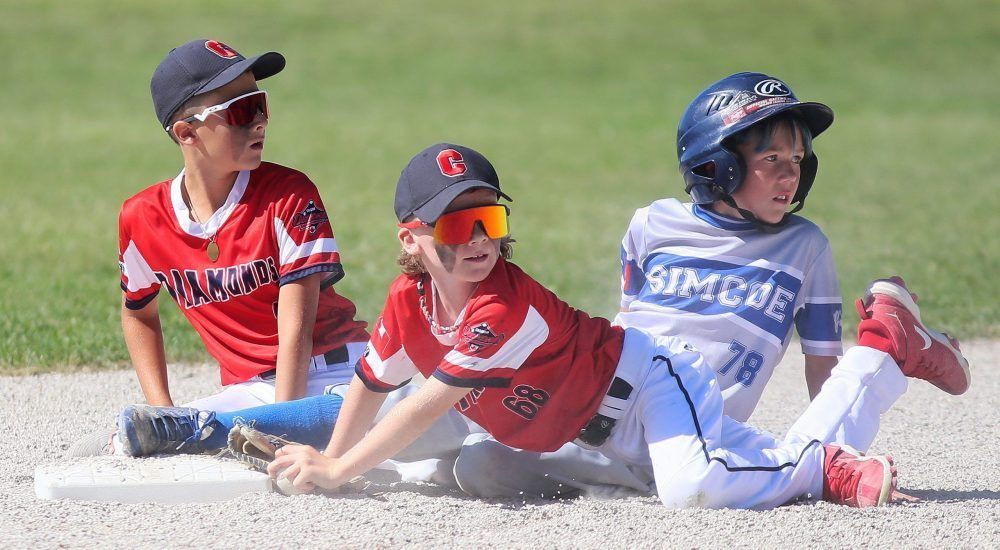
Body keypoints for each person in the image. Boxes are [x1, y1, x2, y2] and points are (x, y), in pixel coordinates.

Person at [262, 142, 970, 509]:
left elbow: (426, 401)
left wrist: (334, 465)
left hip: (652, 386)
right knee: (481, 467)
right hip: (583, 431)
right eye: (458, 222)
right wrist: (341, 463)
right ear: (412, 238)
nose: (479, 237)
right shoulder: (404, 302)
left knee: (694, 489)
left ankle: (823, 467)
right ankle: (882, 353)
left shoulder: (505, 306)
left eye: (491, 219)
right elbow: (371, 381)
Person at [450, 72, 972, 499]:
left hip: (704, 427)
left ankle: (885, 350)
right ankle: (635, 482)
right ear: (715, 165)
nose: (790, 176)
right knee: (481, 463)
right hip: (615, 417)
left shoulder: (804, 246)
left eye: (796, 161)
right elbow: (627, 326)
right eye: (771, 161)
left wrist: (834, 438)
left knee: (805, 467)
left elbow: (819, 362)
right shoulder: (651, 225)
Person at [68, 39, 372, 456]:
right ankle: (190, 427)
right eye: (242, 112)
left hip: (332, 376)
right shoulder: (142, 217)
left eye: (261, 104)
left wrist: (283, 432)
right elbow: (138, 313)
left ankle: (202, 430)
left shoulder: (287, 194)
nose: (260, 122)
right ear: (186, 132)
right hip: (247, 396)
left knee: (379, 434)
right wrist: (163, 410)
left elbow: (296, 333)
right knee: (115, 447)